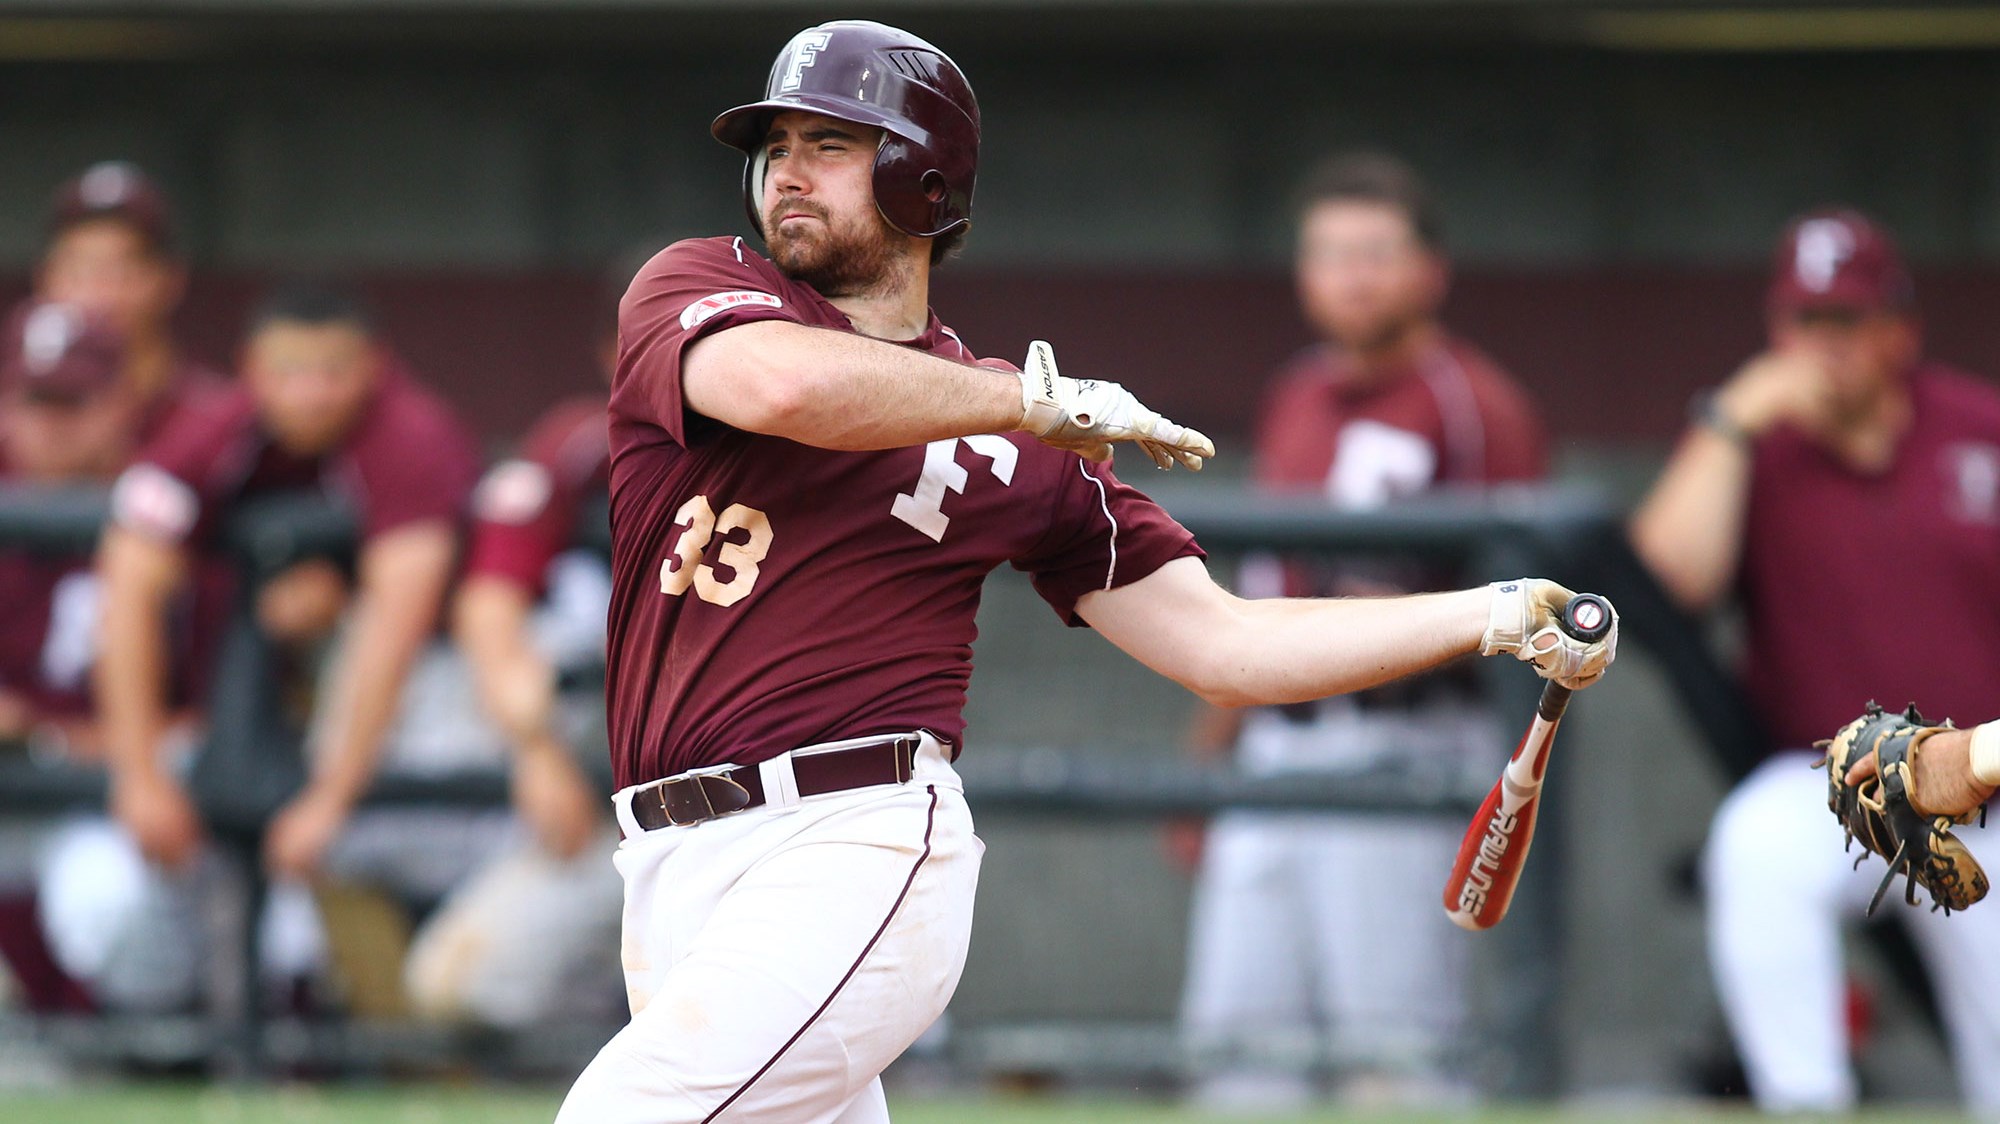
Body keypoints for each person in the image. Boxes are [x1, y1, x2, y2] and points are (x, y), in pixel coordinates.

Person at [558, 20, 1615, 1123]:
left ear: (923, 177)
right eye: (774, 145)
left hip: (848, 840)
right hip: (669, 864)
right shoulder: (700, 284)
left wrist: (1482, 612)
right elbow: (784, 390)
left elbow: (1223, 646)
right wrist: (1025, 400)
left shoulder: (1024, 444)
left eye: (830, 142)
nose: (787, 171)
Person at [1176, 152, 1548, 1108]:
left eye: (1376, 253)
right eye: (1330, 253)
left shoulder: (1477, 403)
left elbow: (1524, 618)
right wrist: (1207, 763)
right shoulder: (1294, 391)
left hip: (1405, 741)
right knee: (1235, 1053)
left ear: (1432, 270)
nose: (1352, 275)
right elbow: (1254, 598)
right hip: (1272, 745)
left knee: (1398, 1058)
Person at [1629, 208, 2000, 1113]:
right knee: (1754, 850)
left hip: (1986, 779)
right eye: (1809, 323)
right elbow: (1665, 582)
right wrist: (1727, 422)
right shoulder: (1751, 444)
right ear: (1777, 331)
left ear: (1900, 328)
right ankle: (1804, 1103)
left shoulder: (1978, 427)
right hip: (1834, 778)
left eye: (1851, 321)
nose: (1828, 346)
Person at [36, 285, 480, 1012]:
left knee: (374, 865)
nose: (309, 393)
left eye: (331, 370)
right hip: (287, 718)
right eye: (288, 371)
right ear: (251, 368)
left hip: (446, 700)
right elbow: (130, 576)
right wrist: (138, 769)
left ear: (375, 365)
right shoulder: (221, 428)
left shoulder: (414, 434)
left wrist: (330, 797)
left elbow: (395, 626)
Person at [391, 313, 625, 1029]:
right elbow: (488, 606)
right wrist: (536, 748)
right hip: (592, 804)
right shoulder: (582, 452)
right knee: (455, 984)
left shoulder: (794, 450)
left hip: (753, 805)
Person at [32, 161, 224, 439]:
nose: (100, 290)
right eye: (80, 269)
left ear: (172, 279)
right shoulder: (15, 424)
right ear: (44, 280)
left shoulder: (219, 421)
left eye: (123, 268)